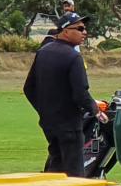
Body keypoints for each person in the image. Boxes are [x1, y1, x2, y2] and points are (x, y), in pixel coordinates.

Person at [23, 13, 95, 175]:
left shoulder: (43, 52)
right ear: (65, 31)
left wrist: (45, 111)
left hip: (49, 123)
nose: (84, 32)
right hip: (70, 124)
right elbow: (80, 93)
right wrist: (95, 109)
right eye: (80, 28)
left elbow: (29, 88)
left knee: (56, 164)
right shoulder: (73, 57)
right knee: (73, 172)